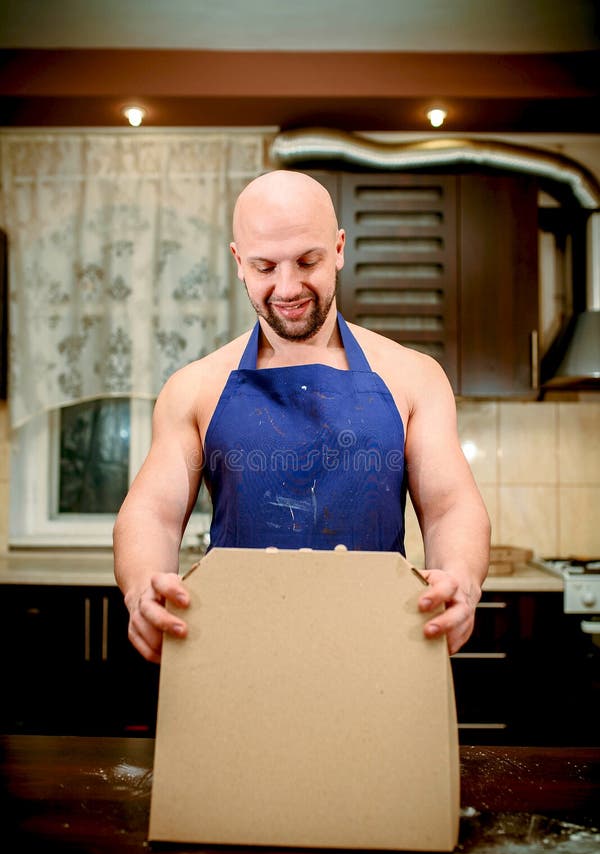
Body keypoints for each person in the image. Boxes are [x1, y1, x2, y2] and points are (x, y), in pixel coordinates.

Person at [113, 170, 490, 664]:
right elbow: (151, 515)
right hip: (233, 653)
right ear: (238, 262)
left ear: (337, 249)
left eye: (307, 261)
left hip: (377, 650)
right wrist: (142, 588)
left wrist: (461, 579)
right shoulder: (195, 387)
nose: (287, 287)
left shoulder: (414, 377)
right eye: (264, 266)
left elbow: (450, 507)